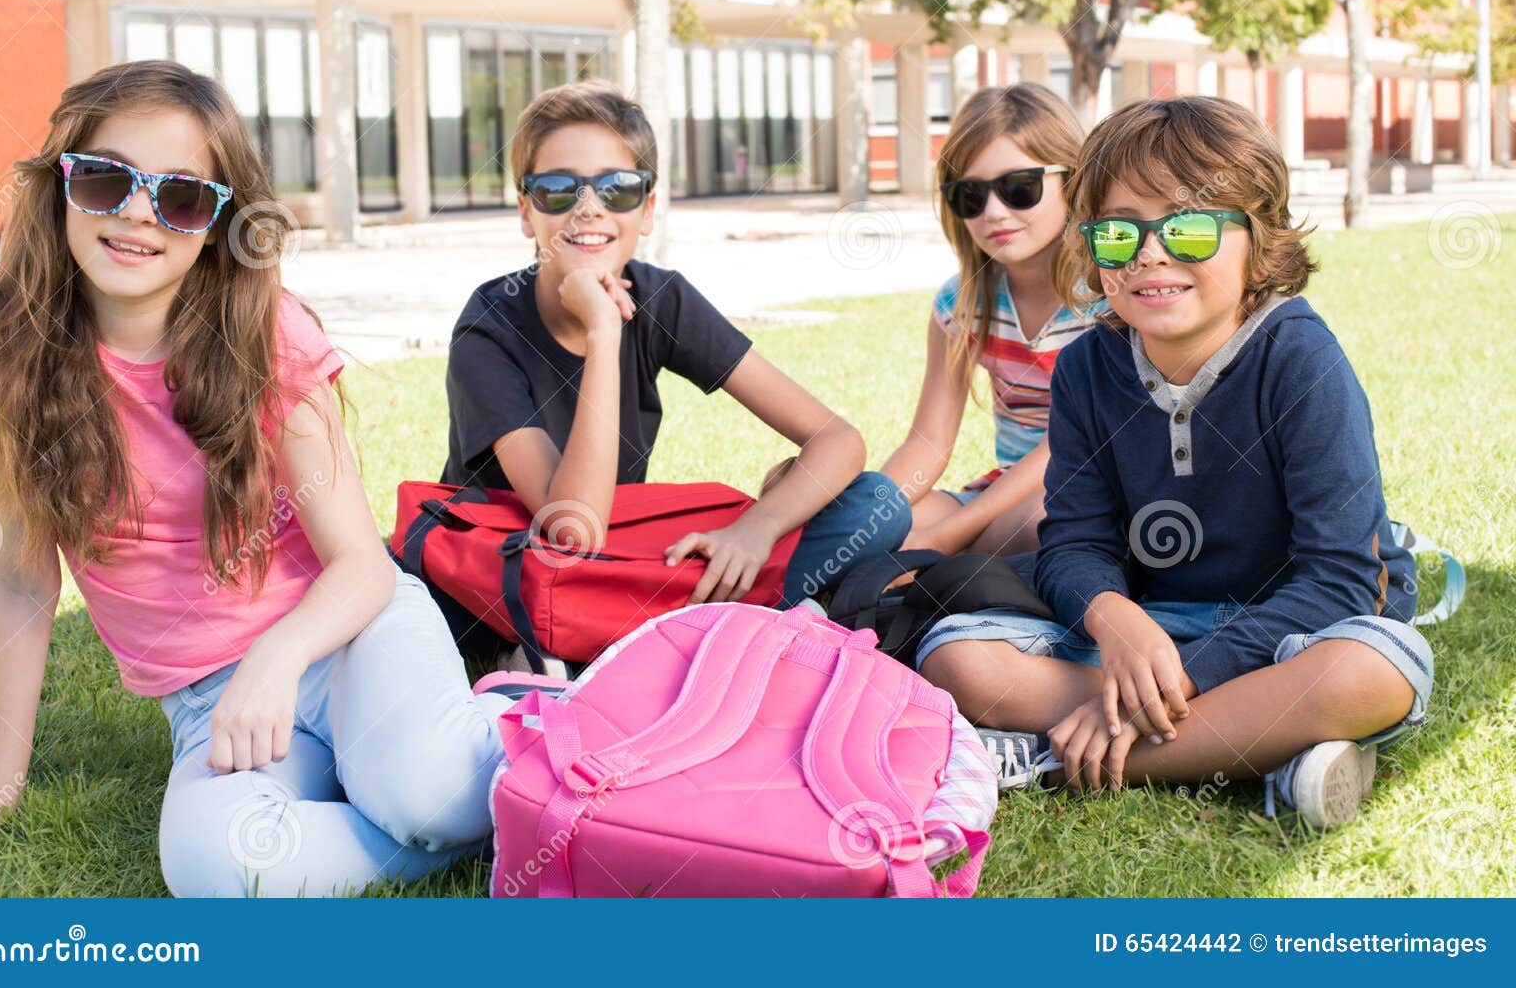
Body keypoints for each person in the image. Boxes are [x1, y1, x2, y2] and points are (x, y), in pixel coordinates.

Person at [0, 60, 512, 895]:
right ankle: (429, 799)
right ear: (59, 184)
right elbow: (20, 575)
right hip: (210, 703)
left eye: (183, 196)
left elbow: (362, 564)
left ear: (219, 223)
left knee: (431, 796)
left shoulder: (269, 337)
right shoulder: (2, 340)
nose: (136, 213)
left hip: (347, 637)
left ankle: (509, 725)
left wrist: (277, 655)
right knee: (217, 867)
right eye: (103, 179)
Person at [917, 96, 1433, 828]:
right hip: (1155, 624)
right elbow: (1075, 543)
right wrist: (1114, 618)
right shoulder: (1088, 369)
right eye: (1119, 233)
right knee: (957, 659)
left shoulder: (1300, 358)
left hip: (1294, 626)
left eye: (1188, 228)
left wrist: (1185, 675)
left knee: (1376, 671)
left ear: (1258, 238)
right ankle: (1263, 748)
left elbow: (1342, 580)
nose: (1150, 254)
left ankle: (1063, 758)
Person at [443, 80, 910, 648]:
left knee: (876, 505)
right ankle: (694, 625)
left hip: (630, 555)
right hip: (525, 562)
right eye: (558, 190)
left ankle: (653, 630)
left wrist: (755, 532)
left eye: (617, 189)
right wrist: (603, 334)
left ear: (647, 210)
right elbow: (571, 526)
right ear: (525, 212)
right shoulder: (486, 331)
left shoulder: (662, 299)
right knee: (509, 590)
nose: (588, 208)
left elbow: (836, 438)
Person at [882, 84, 1099, 557]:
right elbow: (929, 443)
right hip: (1001, 496)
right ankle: (950, 567)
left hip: (1089, 497)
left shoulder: (1110, 298)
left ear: (1075, 181)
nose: (994, 213)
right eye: (970, 196)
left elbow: (1063, 449)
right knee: (887, 525)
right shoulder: (959, 305)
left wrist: (947, 537)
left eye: (1020, 187)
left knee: (1040, 522)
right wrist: (861, 515)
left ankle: (949, 569)